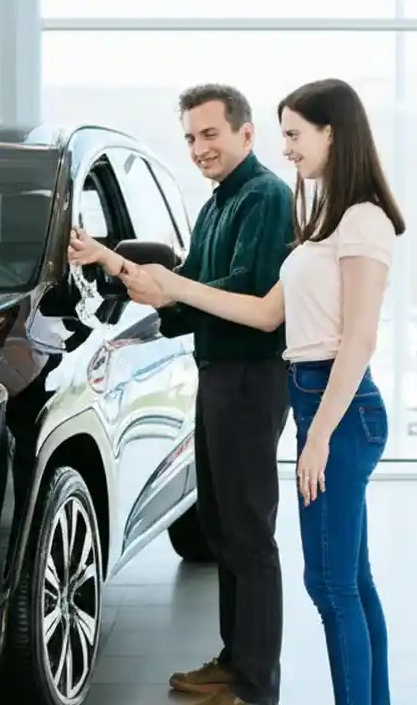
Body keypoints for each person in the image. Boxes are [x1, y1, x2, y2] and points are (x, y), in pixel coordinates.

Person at [114, 77, 404, 705]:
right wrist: (170, 285)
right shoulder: (324, 218)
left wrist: (319, 437)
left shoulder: (362, 221)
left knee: (331, 587)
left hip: (340, 407)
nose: (289, 148)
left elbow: (359, 340)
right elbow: (268, 313)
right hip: (313, 395)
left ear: (334, 132)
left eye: (296, 135)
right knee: (351, 581)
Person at [69, 83, 294, 705]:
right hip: (218, 377)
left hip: (251, 379)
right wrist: (109, 261)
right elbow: (187, 291)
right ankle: (233, 660)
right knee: (221, 524)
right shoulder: (220, 203)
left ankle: (254, 683)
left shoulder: (266, 197)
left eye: (210, 134)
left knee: (248, 532)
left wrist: (172, 288)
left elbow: (246, 295)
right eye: (191, 137)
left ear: (246, 134)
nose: (199, 148)